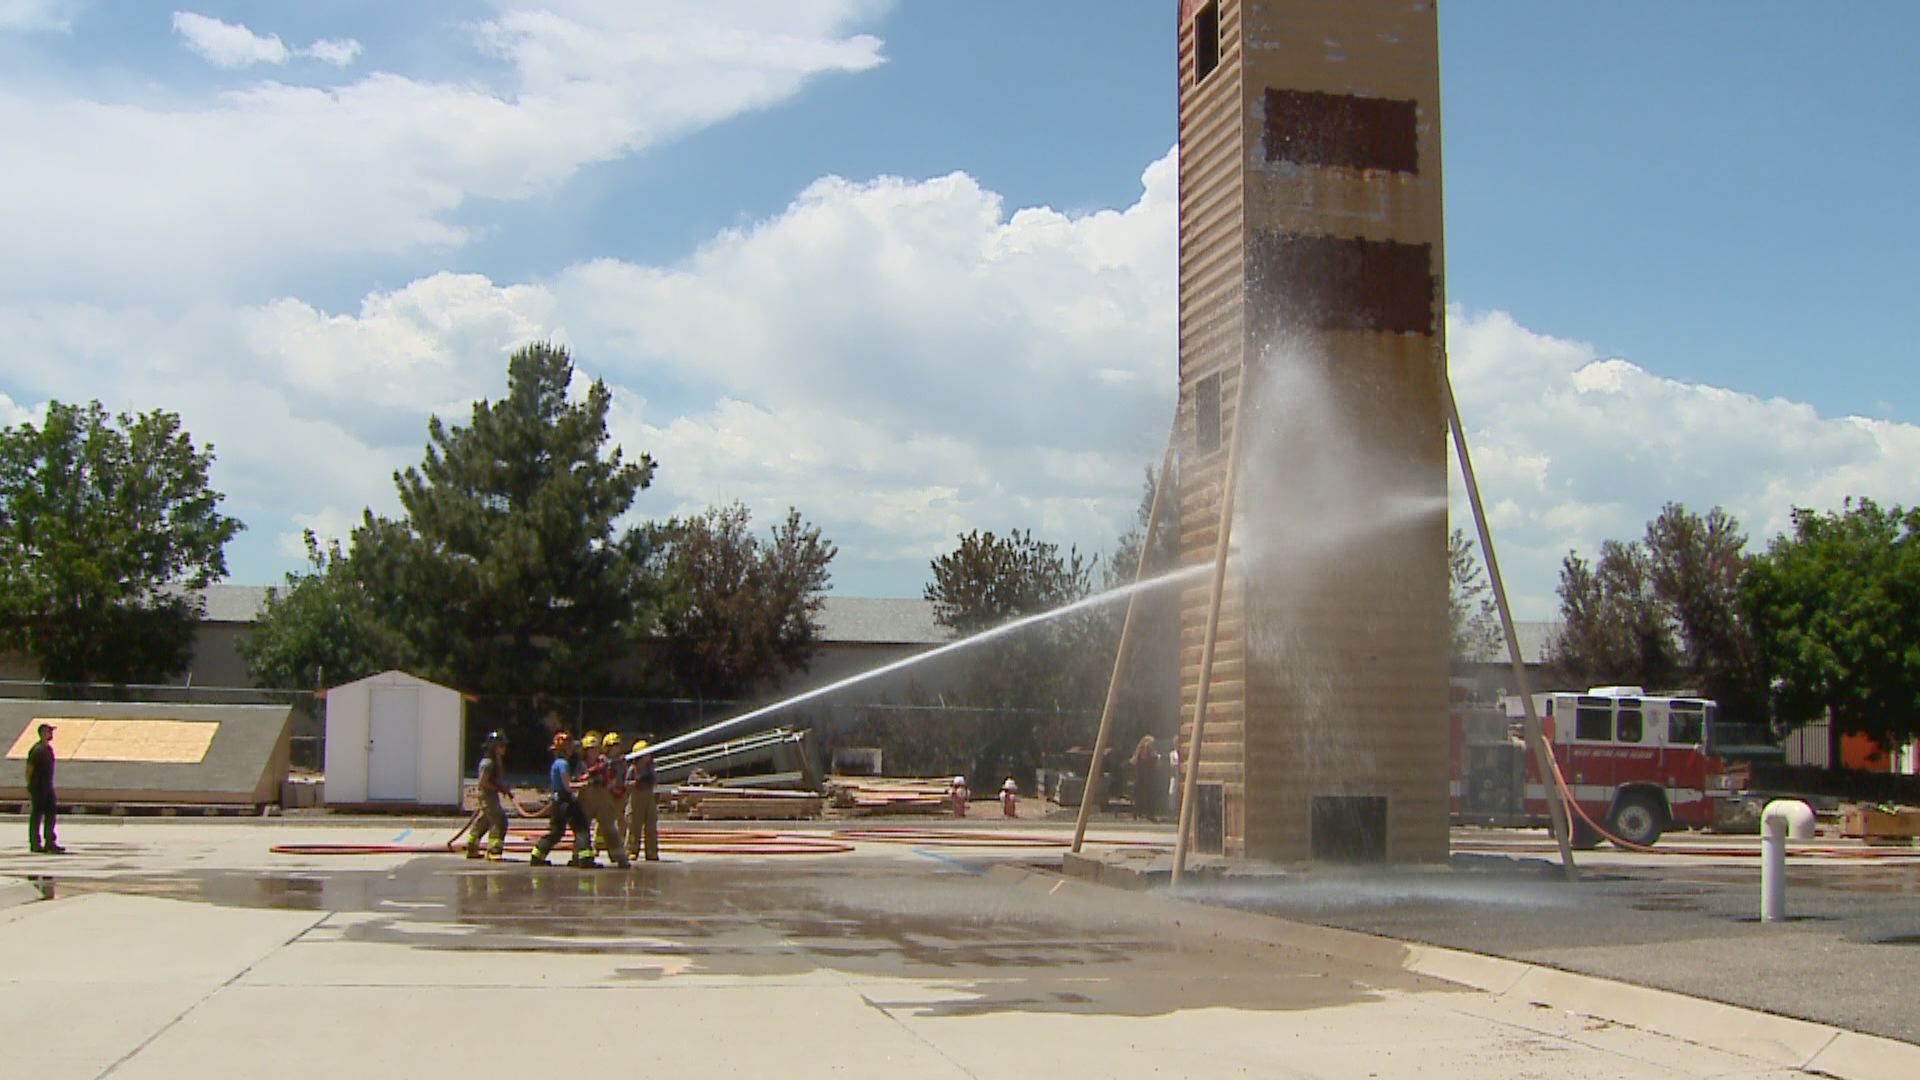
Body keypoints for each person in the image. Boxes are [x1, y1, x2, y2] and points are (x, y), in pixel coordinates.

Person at [531, 732, 596, 867]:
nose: (572, 749)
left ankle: (537, 856)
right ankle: (585, 859)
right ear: (565, 748)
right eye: (570, 746)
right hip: (566, 801)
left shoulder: (557, 763)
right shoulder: (563, 764)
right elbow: (567, 786)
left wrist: (580, 779)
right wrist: (584, 785)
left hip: (557, 802)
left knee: (556, 832)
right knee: (581, 827)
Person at [576, 732, 629, 869]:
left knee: (609, 828)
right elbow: (578, 778)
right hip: (586, 797)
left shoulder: (604, 762)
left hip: (602, 798)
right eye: (589, 750)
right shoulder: (580, 765)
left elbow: (609, 775)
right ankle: (579, 857)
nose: (592, 752)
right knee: (582, 829)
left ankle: (619, 857)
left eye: (594, 749)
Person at [465, 730, 510, 861]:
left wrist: (502, 788)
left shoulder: (494, 761)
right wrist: (499, 788)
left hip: (490, 795)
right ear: (494, 747)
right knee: (499, 820)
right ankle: (493, 851)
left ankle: (472, 847)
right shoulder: (488, 763)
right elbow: (483, 783)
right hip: (487, 796)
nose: (504, 749)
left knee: (484, 821)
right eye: (501, 746)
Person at [25, 722, 63, 854]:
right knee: (37, 815)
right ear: (42, 733)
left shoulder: (48, 749)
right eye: (49, 731)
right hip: (38, 787)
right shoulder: (37, 750)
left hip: (47, 786)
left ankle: (50, 842)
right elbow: (29, 769)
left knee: (51, 813)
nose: (51, 734)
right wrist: (30, 785)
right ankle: (35, 843)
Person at [623, 738, 660, 863]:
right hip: (636, 798)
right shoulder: (633, 769)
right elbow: (626, 784)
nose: (647, 756)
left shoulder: (651, 768)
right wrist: (636, 783)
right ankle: (631, 851)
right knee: (634, 826)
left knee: (651, 825)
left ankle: (652, 852)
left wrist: (650, 780)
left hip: (649, 797)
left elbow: (655, 781)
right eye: (645, 754)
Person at [1130, 734, 1163, 822]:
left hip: (1141, 779)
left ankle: (1138, 814)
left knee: (1140, 796)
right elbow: (1151, 763)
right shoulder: (1147, 753)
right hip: (1146, 779)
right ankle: (1148, 814)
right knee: (1148, 796)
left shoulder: (1138, 753)